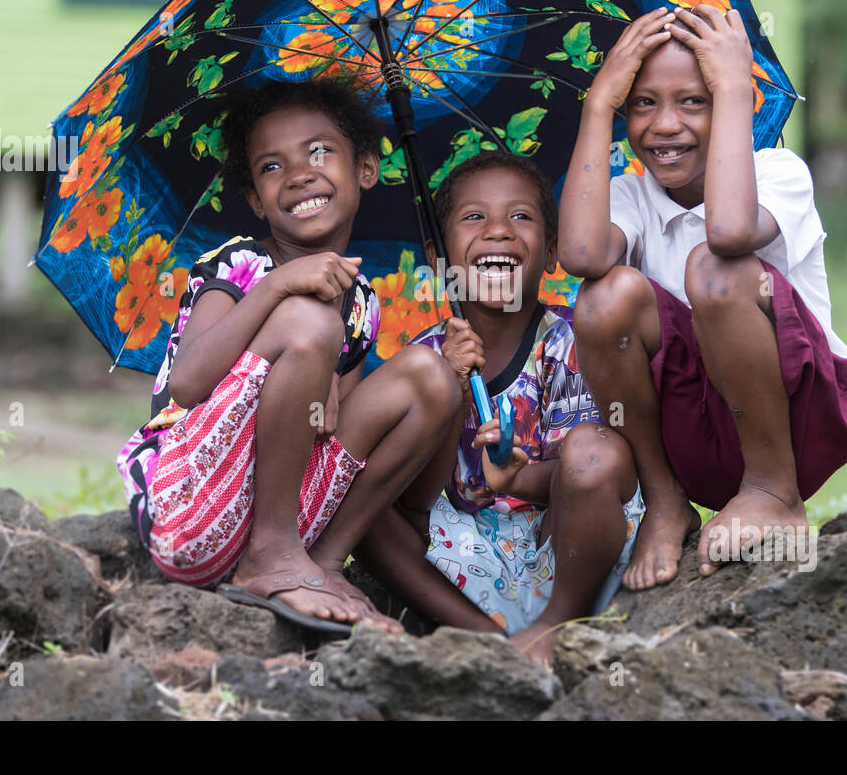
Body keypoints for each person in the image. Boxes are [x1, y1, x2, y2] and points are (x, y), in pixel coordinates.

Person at [559, 4, 847, 590]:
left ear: (736, 105)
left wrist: (736, 84)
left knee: (717, 269)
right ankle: (666, 503)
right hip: (693, 438)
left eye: (694, 100)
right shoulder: (631, 197)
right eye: (642, 103)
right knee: (602, 297)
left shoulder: (780, 173)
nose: (665, 125)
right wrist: (594, 105)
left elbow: (730, 235)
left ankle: (772, 493)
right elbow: (581, 258)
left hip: (797, 423)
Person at [116, 78, 460, 634]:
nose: (299, 173)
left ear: (366, 170)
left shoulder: (363, 303)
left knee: (432, 374)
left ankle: (322, 561)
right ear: (255, 199)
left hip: (296, 513)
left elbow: (335, 435)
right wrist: (279, 289)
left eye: (320, 151)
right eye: (272, 167)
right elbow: (185, 384)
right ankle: (271, 555)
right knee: (307, 316)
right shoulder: (241, 262)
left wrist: (322, 383)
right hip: (195, 504)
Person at [355, 152, 644, 663]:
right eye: (473, 217)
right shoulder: (423, 362)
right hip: (462, 555)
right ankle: (492, 641)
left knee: (596, 453)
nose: (498, 232)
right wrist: (453, 390)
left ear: (552, 251)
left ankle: (558, 622)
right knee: (361, 510)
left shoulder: (571, 342)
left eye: (521, 216)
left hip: (566, 546)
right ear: (438, 258)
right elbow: (416, 505)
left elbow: (586, 472)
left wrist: (515, 480)